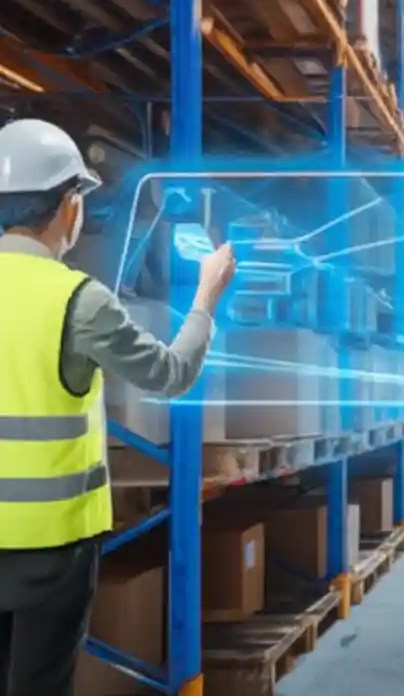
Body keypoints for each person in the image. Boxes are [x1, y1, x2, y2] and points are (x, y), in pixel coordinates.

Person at [0, 119, 236, 696]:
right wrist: (206, 298)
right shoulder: (77, 300)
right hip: (51, 553)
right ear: (66, 207)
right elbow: (169, 374)